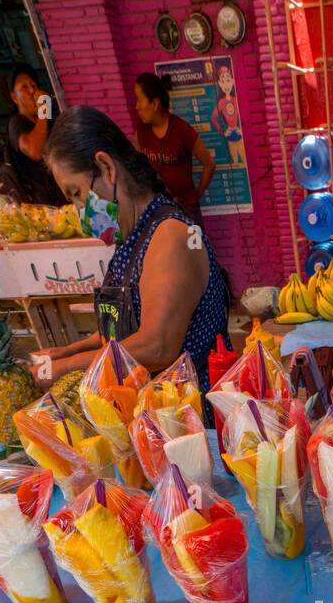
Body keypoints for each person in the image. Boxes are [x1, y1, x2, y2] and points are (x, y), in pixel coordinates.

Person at [32, 105, 229, 396]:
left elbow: (156, 345)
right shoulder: (134, 238)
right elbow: (122, 333)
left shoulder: (171, 236)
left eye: (76, 193)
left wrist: (65, 367)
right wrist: (66, 351)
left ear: (106, 168)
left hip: (195, 422)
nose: (78, 210)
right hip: (152, 417)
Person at [134, 72, 215, 223]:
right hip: (159, 210)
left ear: (155, 103)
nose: (136, 107)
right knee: (168, 247)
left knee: (195, 246)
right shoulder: (141, 131)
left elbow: (209, 165)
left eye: (139, 100)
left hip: (187, 210)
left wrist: (197, 194)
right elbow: (139, 166)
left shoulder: (182, 130)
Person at [0, 65, 63, 205]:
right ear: (14, 97)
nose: (32, 90)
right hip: (45, 205)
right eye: (24, 87)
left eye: (33, 85)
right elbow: (35, 151)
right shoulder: (17, 123)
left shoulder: (46, 121)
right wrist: (44, 110)